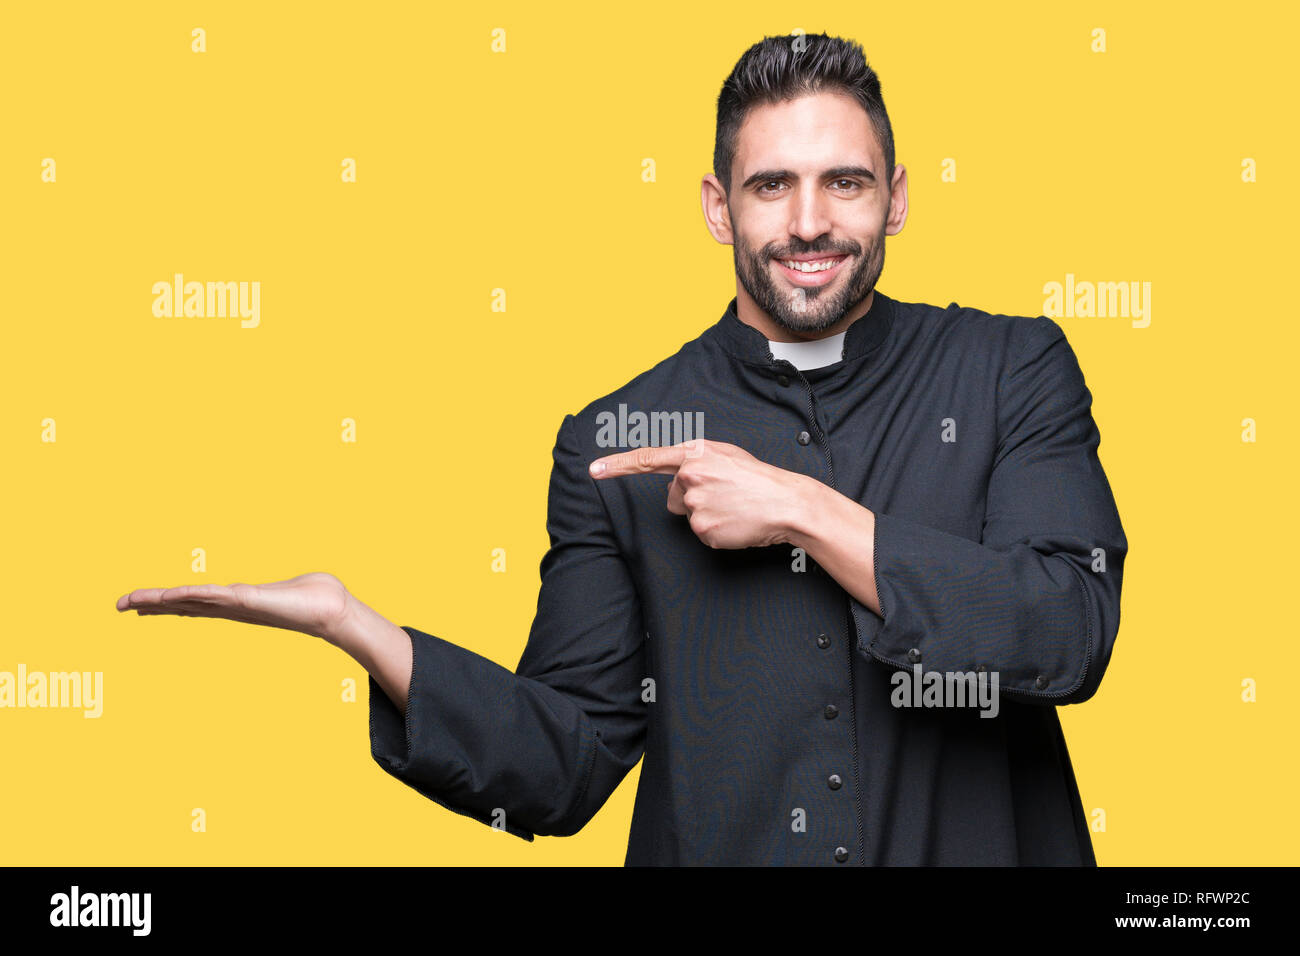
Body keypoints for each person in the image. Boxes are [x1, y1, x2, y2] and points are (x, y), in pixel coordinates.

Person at [117, 32, 1127, 865]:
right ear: (715, 206)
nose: (808, 221)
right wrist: (363, 631)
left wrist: (800, 509)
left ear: (897, 197)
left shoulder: (1010, 369)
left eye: (845, 183)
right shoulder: (613, 440)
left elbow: (1066, 629)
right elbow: (566, 761)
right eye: (771, 186)